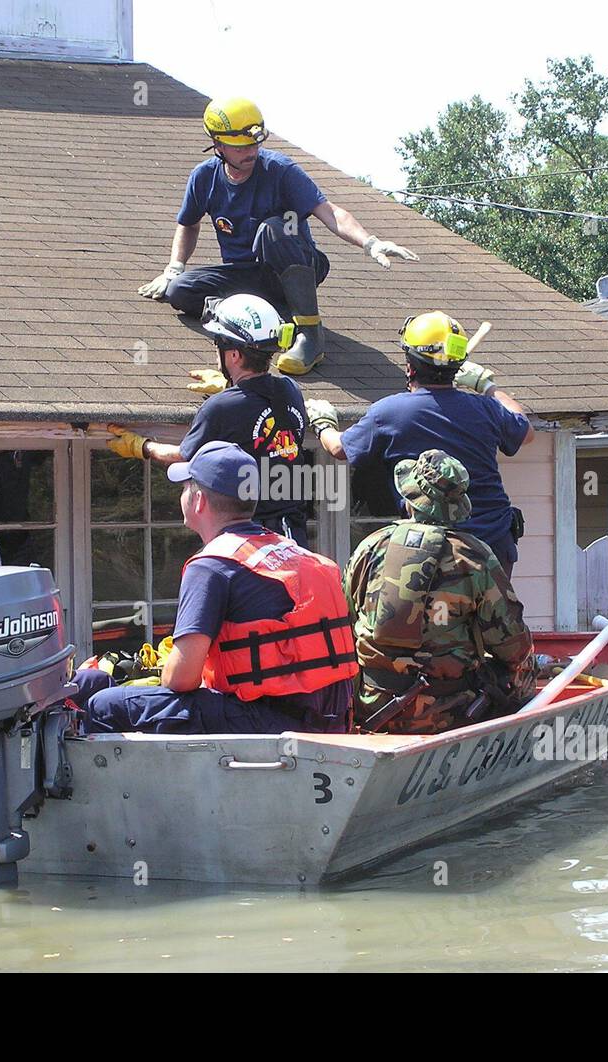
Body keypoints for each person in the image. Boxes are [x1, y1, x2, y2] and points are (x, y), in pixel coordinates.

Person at [76, 441, 358, 735]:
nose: (182, 495)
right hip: (330, 721)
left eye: (185, 487)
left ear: (198, 500)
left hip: (269, 724)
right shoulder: (294, 552)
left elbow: (180, 680)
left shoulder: (212, 566)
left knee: (103, 705)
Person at [137, 96, 418, 375]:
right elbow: (189, 223)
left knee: (272, 229)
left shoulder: (279, 170)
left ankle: (310, 335)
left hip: (296, 264)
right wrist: (174, 269)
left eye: (256, 143)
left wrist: (370, 242)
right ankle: (273, 317)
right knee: (181, 291)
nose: (252, 151)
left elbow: (329, 212)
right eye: (242, 146)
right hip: (245, 275)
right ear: (219, 145)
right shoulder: (204, 178)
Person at [307, 311, 533, 580]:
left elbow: (339, 449)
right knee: (492, 620)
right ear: (458, 366)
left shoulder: (390, 413)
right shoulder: (485, 408)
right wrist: (487, 386)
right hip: (492, 546)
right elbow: (526, 430)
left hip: (431, 552)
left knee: (436, 622)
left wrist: (322, 423)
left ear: (410, 366)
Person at [344, 449, 536, 735]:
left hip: (372, 706)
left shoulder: (369, 548)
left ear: (410, 502)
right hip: (450, 713)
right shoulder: (475, 557)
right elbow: (513, 647)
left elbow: (343, 621)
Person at [106, 293, 314, 545]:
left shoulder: (220, 408)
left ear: (234, 355)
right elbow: (256, 406)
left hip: (252, 535)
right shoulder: (290, 390)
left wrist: (141, 446)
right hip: (292, 531)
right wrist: (230, 388)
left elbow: (185, 457)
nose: (217, 351)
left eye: (219, 343)